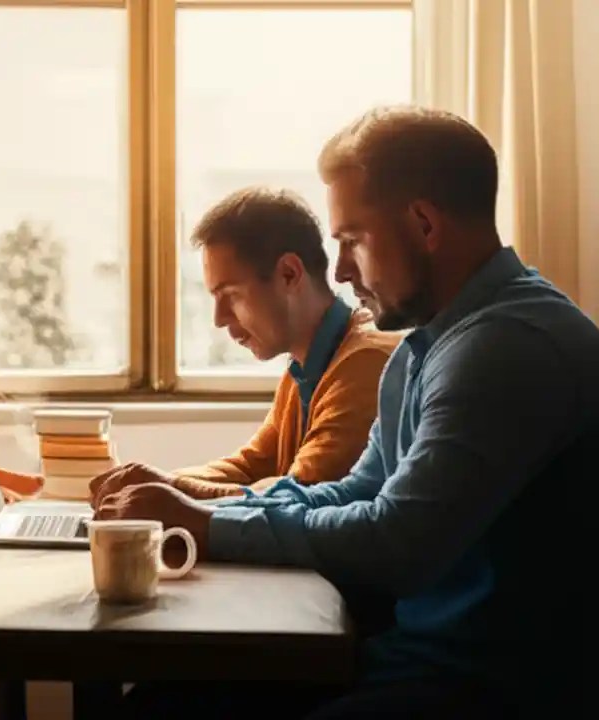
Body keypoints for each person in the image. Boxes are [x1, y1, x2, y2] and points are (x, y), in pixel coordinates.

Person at [91, 105, 598, 717]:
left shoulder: (508, 344)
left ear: (423, 224)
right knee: (155, 705)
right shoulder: (425, 347)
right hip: (410, 657)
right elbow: (352, 491)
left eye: (352, 240)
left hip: (488, 687)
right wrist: (194, 509)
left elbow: (395, 540)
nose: (340, 269)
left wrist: (206, 523)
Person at [104, 188, 396, 501]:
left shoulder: (364, 364)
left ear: (288, 274)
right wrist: (143, 483)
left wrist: (169, 489)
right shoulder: (305, 366)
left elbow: (297, 497)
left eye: (231, 295)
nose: (218, 318)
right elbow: (249, 467)